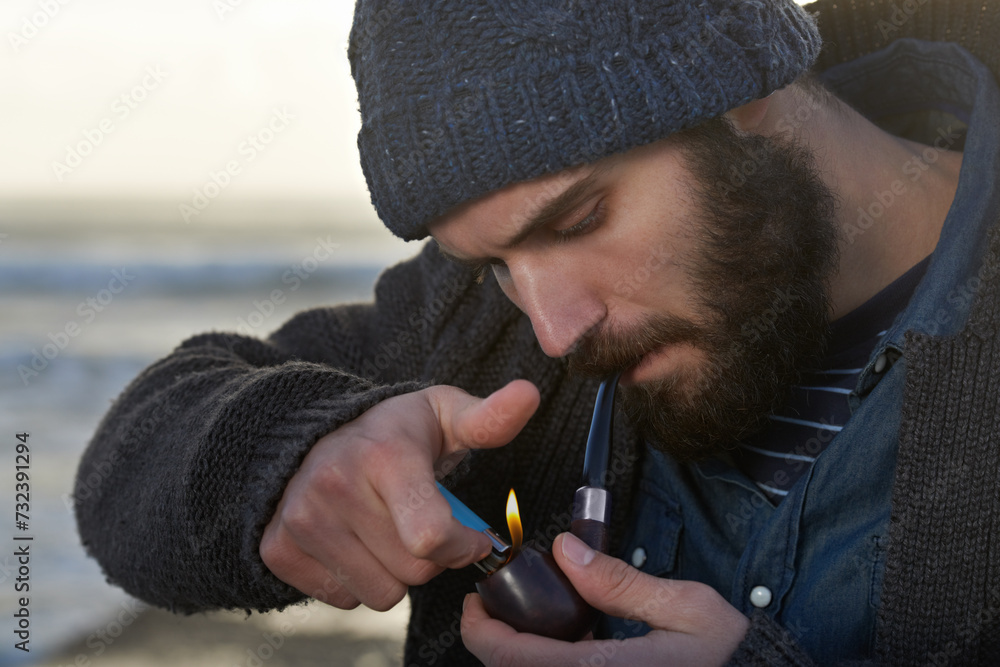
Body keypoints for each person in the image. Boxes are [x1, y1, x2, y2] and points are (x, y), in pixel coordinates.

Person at [73, 0, 1000, 664]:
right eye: (495, 264)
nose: (554, 331)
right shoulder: (479, 328)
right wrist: (293, 455)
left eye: (577, 219)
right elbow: (124, 473)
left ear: (746, 91)